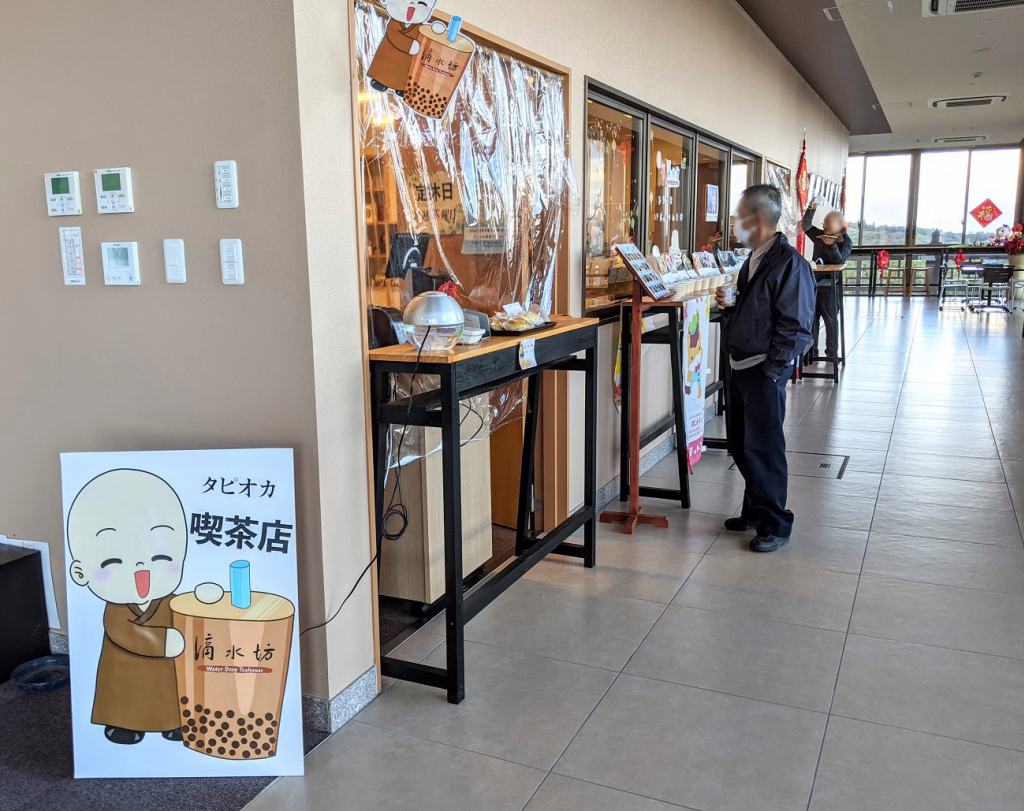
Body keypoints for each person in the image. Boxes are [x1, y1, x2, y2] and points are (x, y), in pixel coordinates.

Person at [715, 185, 815, 552]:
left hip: (763, 370)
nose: (735, 223)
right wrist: (730, 306)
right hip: (741, 363)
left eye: (739, 216)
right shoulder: (753, 258)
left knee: (764, 447)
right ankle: (754, 510)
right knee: (742, 445)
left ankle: (776, 523)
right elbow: (756, 309)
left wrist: (773, 371)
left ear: (757, 220)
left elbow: (796, 327)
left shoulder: (791, 264)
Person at [801, 198, 852, 362]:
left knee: (830, 321)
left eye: (829, 223)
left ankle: (831, 352)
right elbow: (806, 226)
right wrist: (811, 210)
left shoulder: (845, 240)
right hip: (814, 284)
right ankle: (811, 351)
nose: (825, 226)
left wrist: (832, 245)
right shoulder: (820, 236)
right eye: (824, 222)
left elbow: (839, 260)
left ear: (839, 224)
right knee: (812, 319)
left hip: (831, 287)